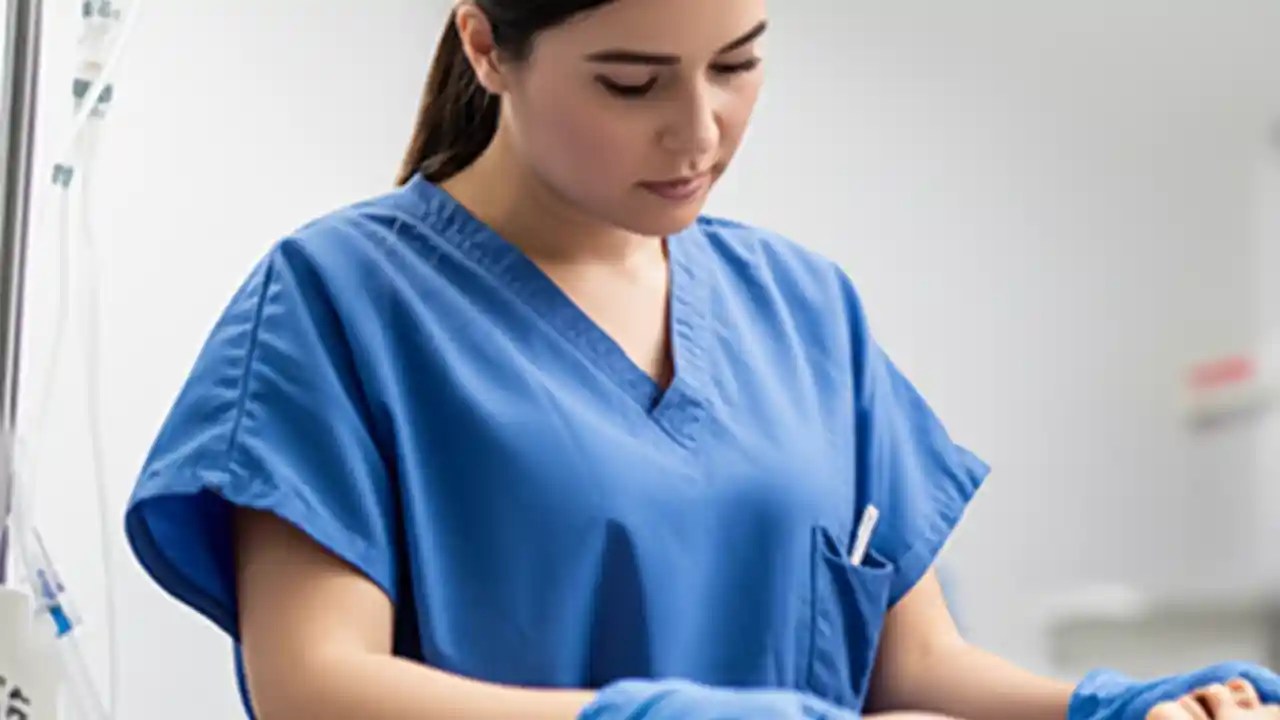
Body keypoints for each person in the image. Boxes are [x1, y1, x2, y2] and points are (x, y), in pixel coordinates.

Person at [122, 1, 1280, 718]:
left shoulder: (803, 307)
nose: (697, 132)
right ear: (486, 43)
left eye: (735, 64)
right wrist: (635, 719)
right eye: (630, 83)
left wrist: (1103, 707)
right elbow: (317, 691)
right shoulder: (339, 303)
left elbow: (914, 667)